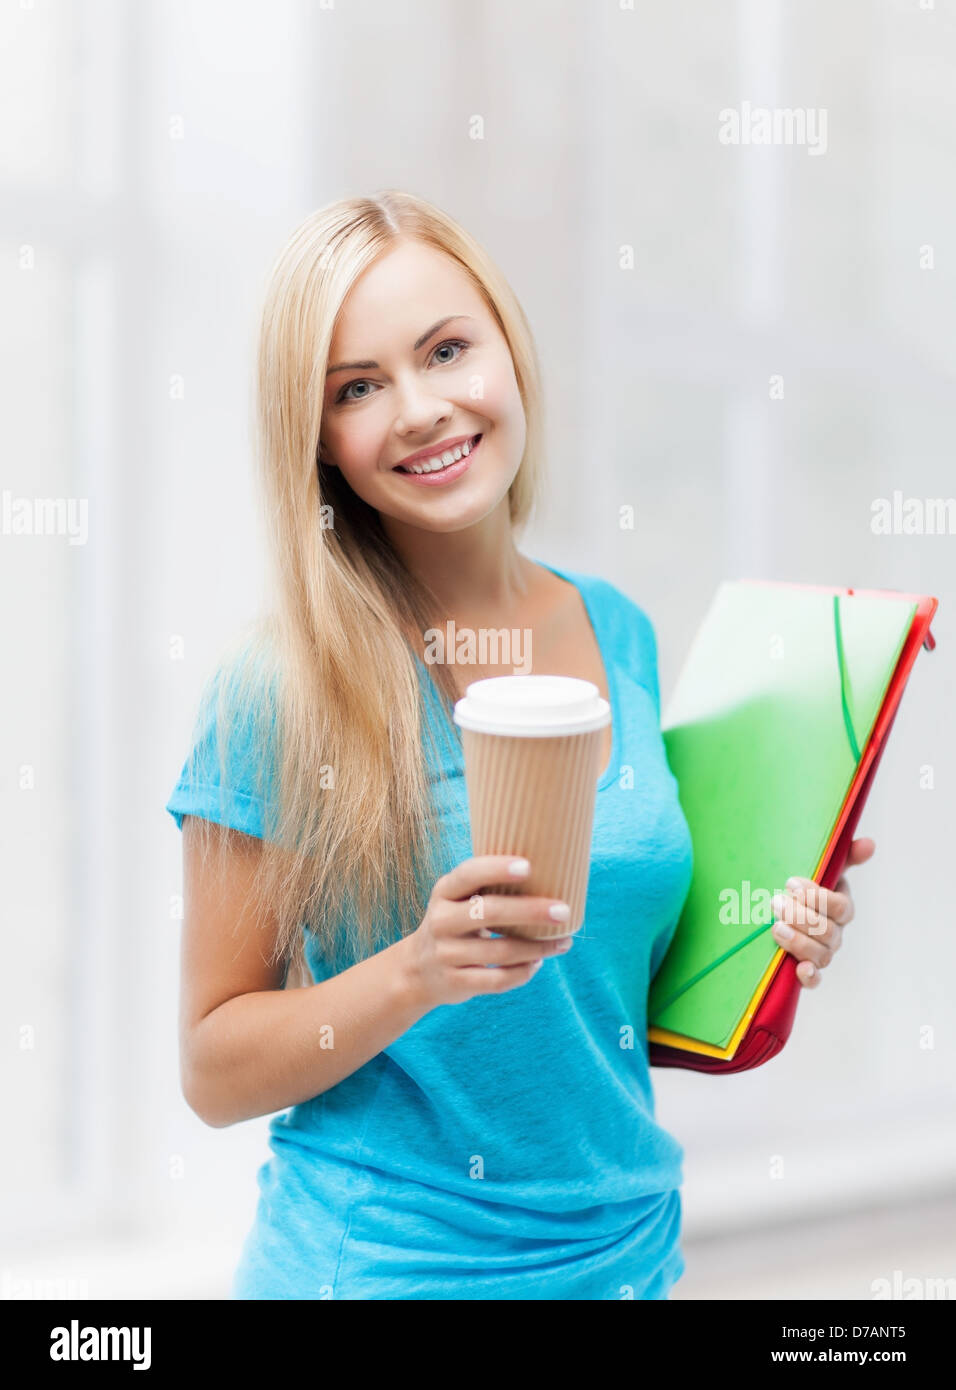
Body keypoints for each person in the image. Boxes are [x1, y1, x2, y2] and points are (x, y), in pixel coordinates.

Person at [166, 190, 873, 1300]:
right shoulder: (276, 689)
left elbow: (607, 993)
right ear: (319, 444)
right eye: (357, 387)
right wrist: (414, 972)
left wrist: (774, 922)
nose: (418, 409)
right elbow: (212, 1069)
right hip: (385, 1271)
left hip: (627, 1258)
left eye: (446, 349)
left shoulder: (617, 628)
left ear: (508, 350)